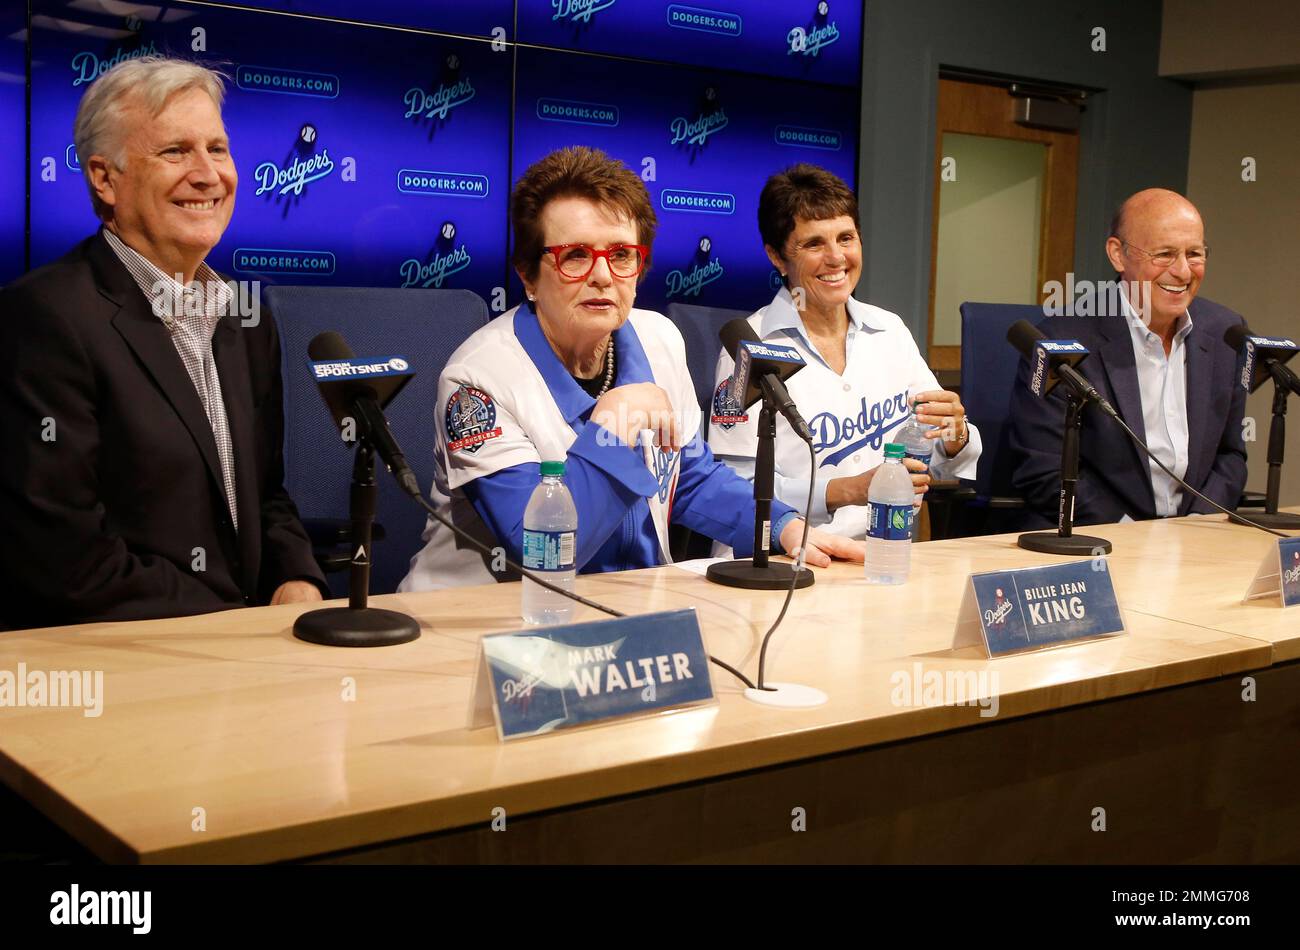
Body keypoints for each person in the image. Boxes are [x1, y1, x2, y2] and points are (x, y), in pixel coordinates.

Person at [400, 147, 863, 591]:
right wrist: (611, 424)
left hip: (626, 603)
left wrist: (781, 526)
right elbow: (541, 551)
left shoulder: (658, 337)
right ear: (527, 276)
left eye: (621, 255)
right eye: (575, 256)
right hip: (482, 618)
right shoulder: (479, 380)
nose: (602, 275)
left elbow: (689, 478)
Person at [0, 56, 324, 629]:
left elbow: (266, 496)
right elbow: (64, 560)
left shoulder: (245, 317)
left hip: (242, 657)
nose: (207, 174)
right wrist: (234, 623)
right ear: (105, 178)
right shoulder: (46, 317)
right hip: (117, 669)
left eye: (217, 149)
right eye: (175, 151)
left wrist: (295, 576)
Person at [708, 164, 980, 542]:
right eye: (814, 244)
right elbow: (734, 490)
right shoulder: (749, 348)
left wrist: (955, 434)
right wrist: (848, 489)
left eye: (846, 238)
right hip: (788, 558)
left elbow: (939, 456)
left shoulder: (890, 331)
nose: (836, 258)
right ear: (776, 256)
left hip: (888, 550)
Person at [1008, 188, 1247, 526]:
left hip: (1197, 539)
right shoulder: (1059, 340)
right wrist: (1136, 538)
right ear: (1118, 255)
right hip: (1105, 539)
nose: (1182, 271)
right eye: (1164, 254)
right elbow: (1044, 469)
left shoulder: (1227, 332)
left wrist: (1199, 527)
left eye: (1194, 253)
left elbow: (1230, 454)